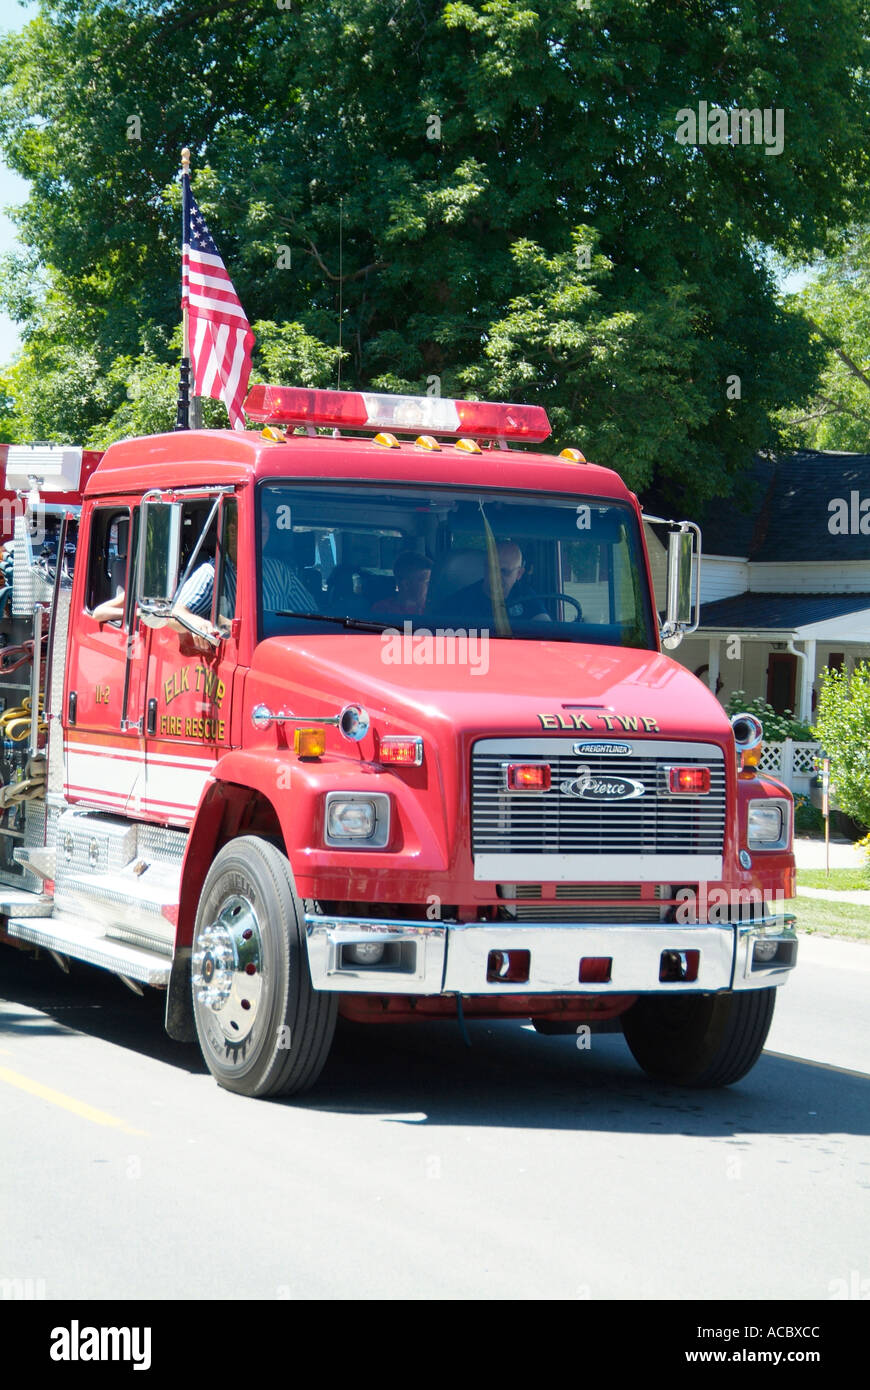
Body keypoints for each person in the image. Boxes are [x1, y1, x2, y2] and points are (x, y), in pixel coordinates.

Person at [452, 540, 549, 626]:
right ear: (485, 568)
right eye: (492, 569)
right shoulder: (460, 602)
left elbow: (547, 632)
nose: (496, 577)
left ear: (519, 574)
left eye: (504, 571)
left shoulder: (526, 597)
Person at [371, 551, 432, 617]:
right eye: (426, 582)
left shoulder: (433, 609)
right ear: (406, 584)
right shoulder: (383, 610)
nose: (429, 586)